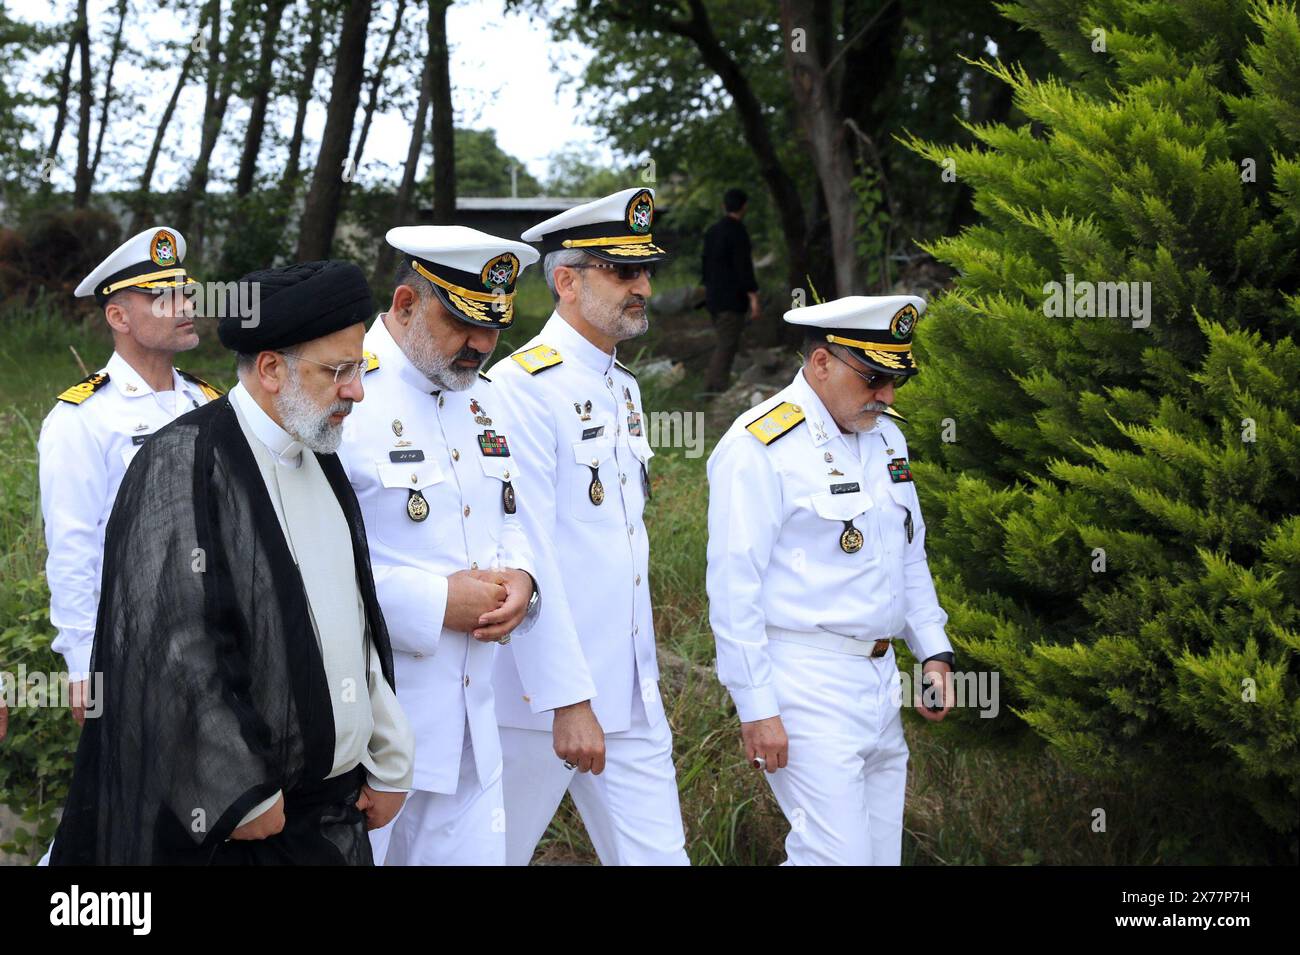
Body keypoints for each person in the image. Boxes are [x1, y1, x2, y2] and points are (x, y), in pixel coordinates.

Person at [50, 260, 415, 865]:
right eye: (338, 371)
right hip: (240, 827)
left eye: (359, 368)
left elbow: (354, 620)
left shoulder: (319, 451)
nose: (356, 390)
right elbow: (174, 644)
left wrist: (388, 757)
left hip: (332, 816)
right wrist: (236, 791)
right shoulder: (185, 460)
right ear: (272, 369)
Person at [338, 226, 596, 866]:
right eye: (461, 322)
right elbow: (311, 562)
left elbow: (512, 519)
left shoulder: (482, 399)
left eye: (494, 327)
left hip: (471, 724)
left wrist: (523, 582)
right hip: (373, 726)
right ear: (404, 304)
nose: (481, 345)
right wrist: (434, 602)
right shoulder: (344, 395)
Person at [705, 294, 956, 866]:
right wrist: (755, 706)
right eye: (873, 378)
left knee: (875, 857)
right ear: (822, 363)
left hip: (879, 676)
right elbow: (733, 586)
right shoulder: (758, 446)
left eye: (895, 380)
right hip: (804, 680)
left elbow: (906, 553)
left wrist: (934, 650)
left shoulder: (885, 436)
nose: (887, 396)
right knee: (834, 857)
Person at [489, 187, 690, 865]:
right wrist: (568, 698)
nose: (643, 286)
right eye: (622, 271)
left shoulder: (622, 388)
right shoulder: (521, 386)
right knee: (486, 854)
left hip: (628, 690)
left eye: (644, 270)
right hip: (540, 702)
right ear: (566, 281)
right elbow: (529, 550)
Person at [39, 226, 219, 726]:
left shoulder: (207, 401)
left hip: (216, 642)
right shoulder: (82, 419)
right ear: (117, 316)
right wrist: (81, 665)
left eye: (186, 291)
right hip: (133, 648)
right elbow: (72, 549)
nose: (184, 305)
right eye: (162, 297)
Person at [700, 187, 761, 394]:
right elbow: (743, 267)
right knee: (727, 344)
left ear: (723, 206)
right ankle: (714, 388)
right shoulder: (738, 232)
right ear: (744, 207)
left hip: (713, 297)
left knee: (725, 340)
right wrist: (753, 297)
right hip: (732, 300)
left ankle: (717, 384)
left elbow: (705, 266)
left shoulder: (711, 231)